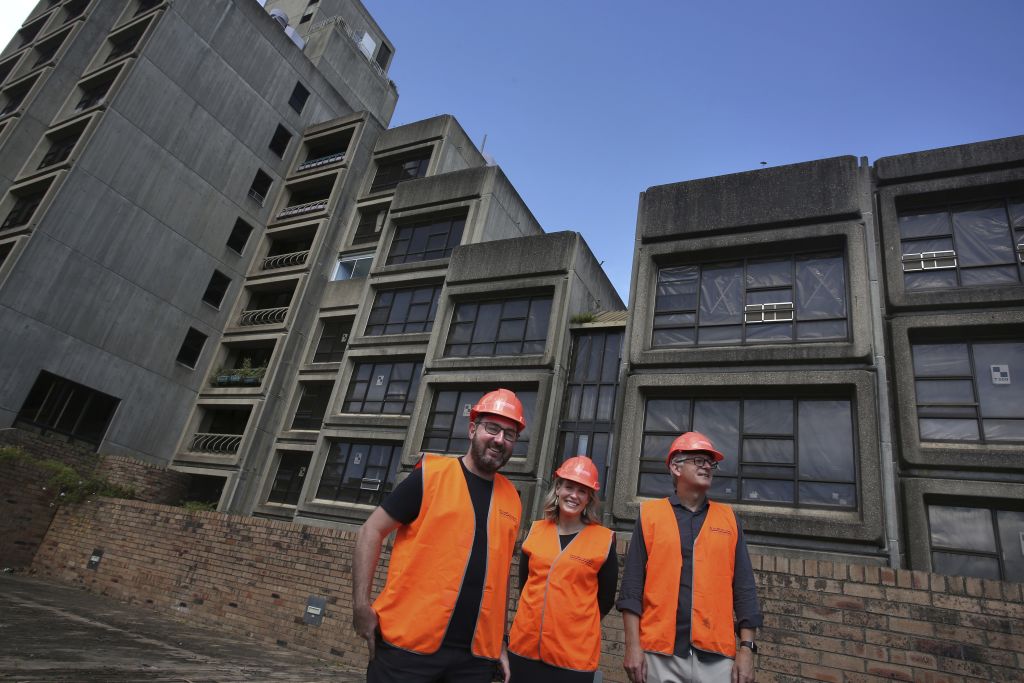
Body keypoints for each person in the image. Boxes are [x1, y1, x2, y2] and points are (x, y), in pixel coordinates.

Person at [352, 388, 525, 683]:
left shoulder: (512, 499)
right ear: (472, 429)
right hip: (407, 648)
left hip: (474, 659)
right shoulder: (430, 475)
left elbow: (500, 575)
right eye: (492, 428)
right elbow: (371, 530)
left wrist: (499, 641)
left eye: (509, 434)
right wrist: (361, 605)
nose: (499, 440)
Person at [617, 432, 762, 683]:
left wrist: (747, 650)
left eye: (710, 462)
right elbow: (631, 588)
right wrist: (632, 646)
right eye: (698, 460)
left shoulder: (729, 519)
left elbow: (745, 590)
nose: (707, 466)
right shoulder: (650, 515)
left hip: (717, 658)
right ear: (676, 467)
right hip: (659, 655)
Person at [507, 456, 618, 683]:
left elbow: (605, 600)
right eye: (569, 487)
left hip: (573, 657)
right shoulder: (536, 531)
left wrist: (575, 621)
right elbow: (525, 585)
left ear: (589, 498)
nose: (574, 495)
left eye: (582, 491)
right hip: (524, 649)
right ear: (558, 489)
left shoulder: (603, 540)